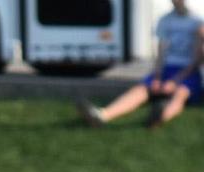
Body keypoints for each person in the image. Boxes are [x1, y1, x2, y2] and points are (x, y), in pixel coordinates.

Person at [78, 0, 204, 129]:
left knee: (180, 94)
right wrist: (157, 76)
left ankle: (159, 118)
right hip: (168, 67)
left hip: (188, 71)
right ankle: (102, 115)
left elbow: (197, 59)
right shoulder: (165, 20)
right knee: (141, 89)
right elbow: (161, 52)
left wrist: (175, 81)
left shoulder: (198, 20)